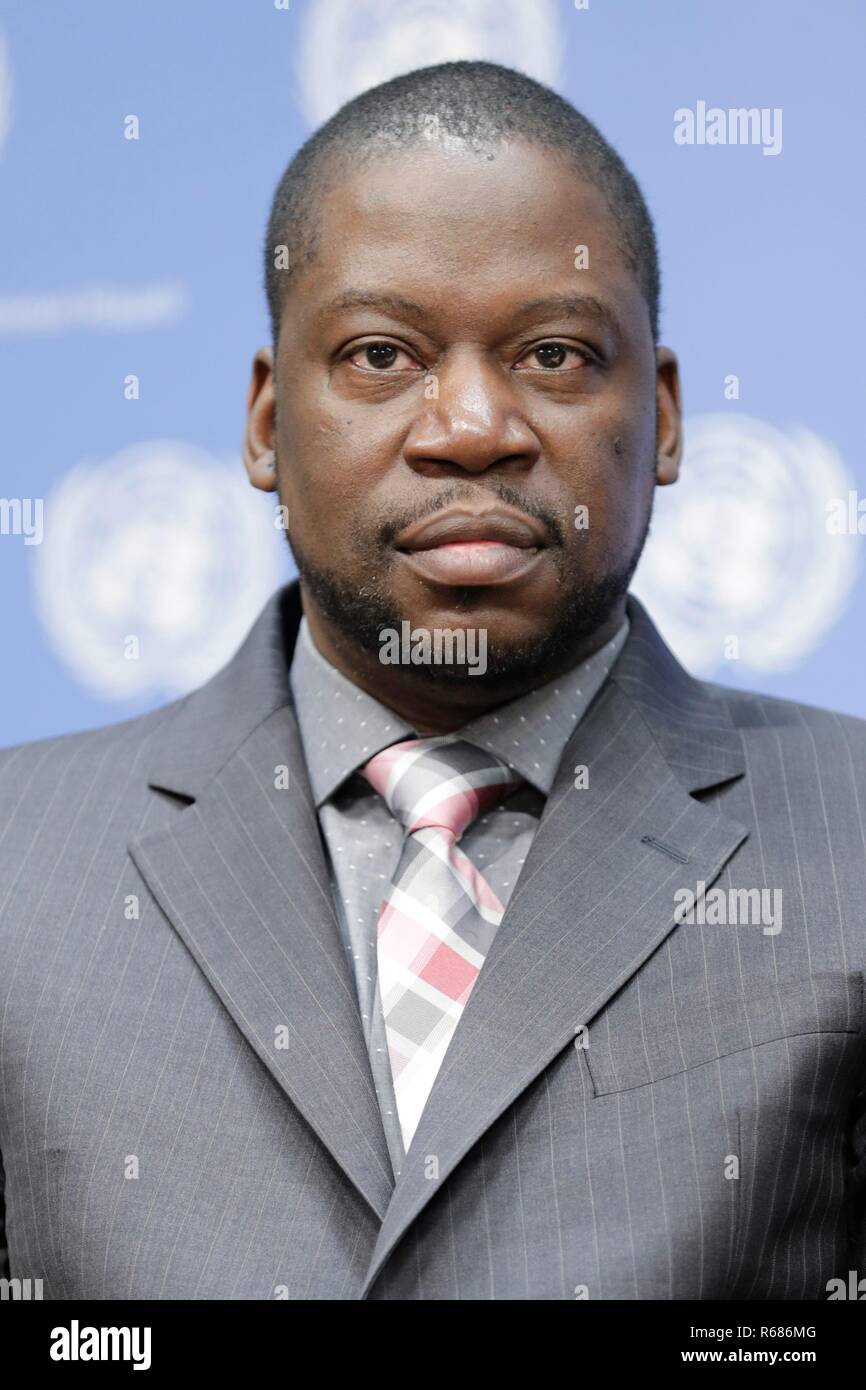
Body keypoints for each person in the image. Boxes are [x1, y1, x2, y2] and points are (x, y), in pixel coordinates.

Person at [1, 61, 864, 1302]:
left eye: (556, 353)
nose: (468, 426)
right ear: (262, 423)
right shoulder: (18, 864)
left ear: (664, 420)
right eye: (378, 354)